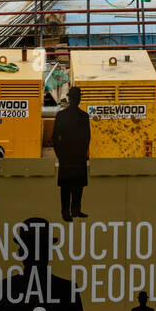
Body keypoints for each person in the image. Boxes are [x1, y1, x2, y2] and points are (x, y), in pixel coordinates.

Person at [52, 87, 91, 222]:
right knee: (74, 185)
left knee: (69, 186)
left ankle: (69, 211)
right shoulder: (83, 117)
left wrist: (60, 154)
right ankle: (72, 210)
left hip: (68, 156)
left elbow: (55, 138)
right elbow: (87, 137)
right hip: (75, 156)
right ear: (77, 99)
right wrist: (82, 152)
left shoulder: (62, 116)